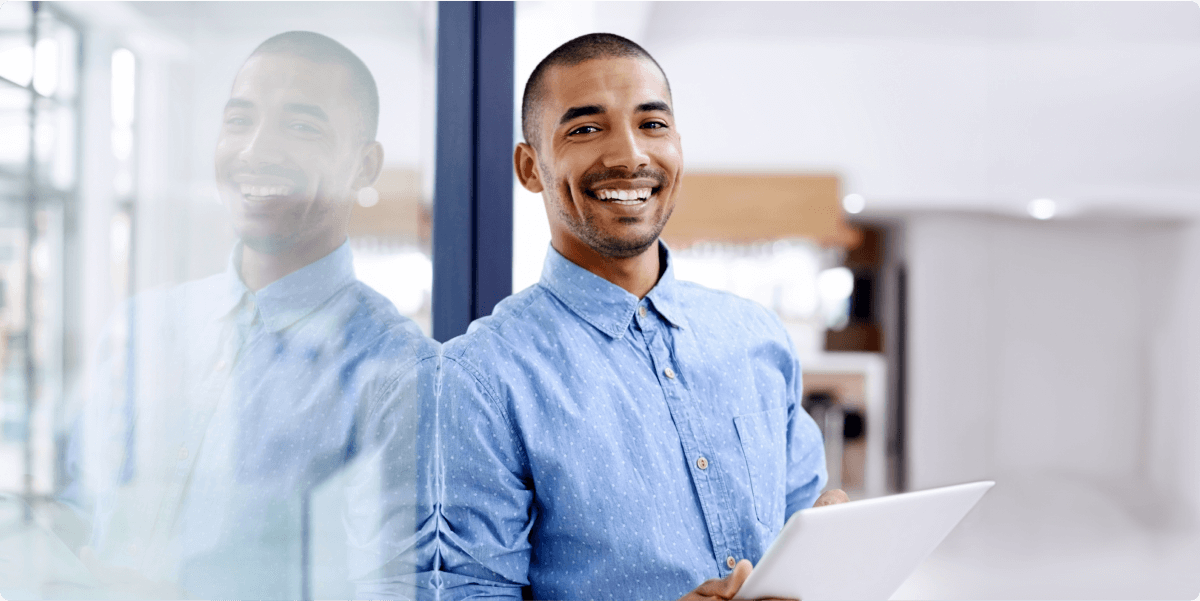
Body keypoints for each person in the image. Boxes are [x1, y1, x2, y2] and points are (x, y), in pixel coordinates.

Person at [437, 33, 845, 601]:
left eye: (652, 125)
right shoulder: (478, 378)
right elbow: (468, 592)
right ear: (530, 167)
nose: (630, 155)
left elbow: (804, 531)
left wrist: (833, 542)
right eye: (585, 128)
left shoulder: (757, 336)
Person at [67, 31, 437, 599]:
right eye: (239, 120)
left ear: (365, 165)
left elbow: (389, 588)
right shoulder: (141, 328)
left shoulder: (399, 372)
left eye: (302, 126)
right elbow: (72, 512)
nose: (257, 150)